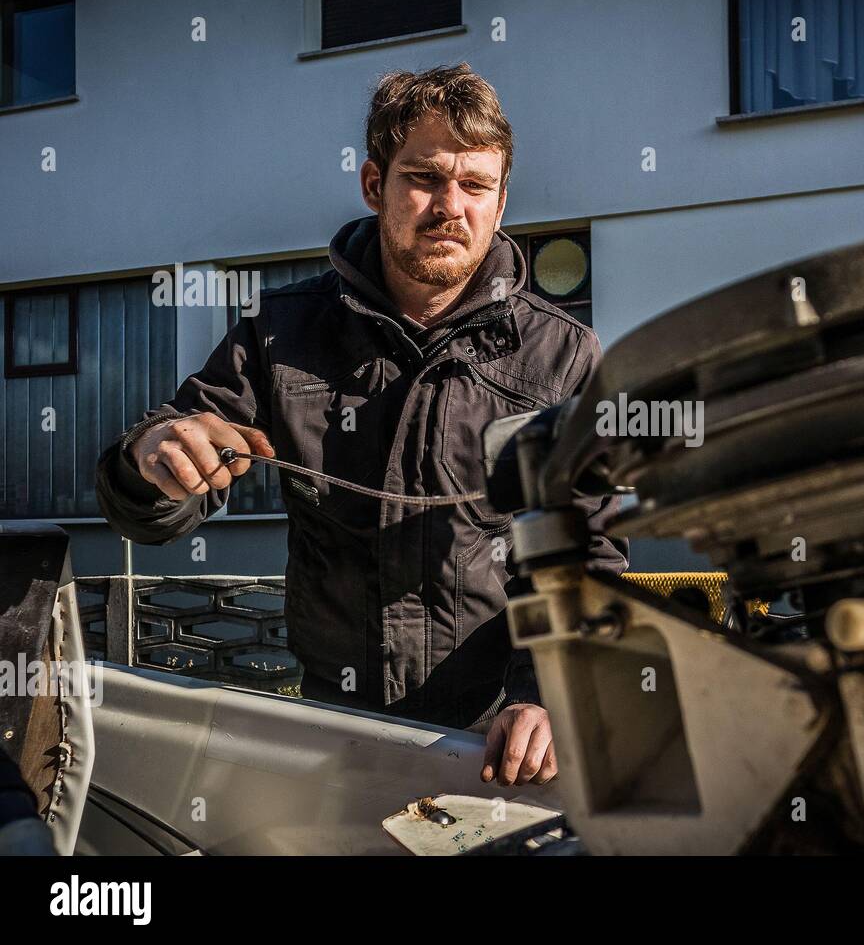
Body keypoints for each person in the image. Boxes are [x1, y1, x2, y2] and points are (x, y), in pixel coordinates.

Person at [95, 63, 628, 788]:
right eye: (425, 178)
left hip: (499, 745)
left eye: (475, 185)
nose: (450, 206)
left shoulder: (563, 355)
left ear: (501, 202)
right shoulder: (281, 334)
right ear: (374, 185)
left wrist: (549, 694)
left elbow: (585, 551)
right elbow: (161, 495)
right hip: (331, 732)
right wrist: (154, 460)